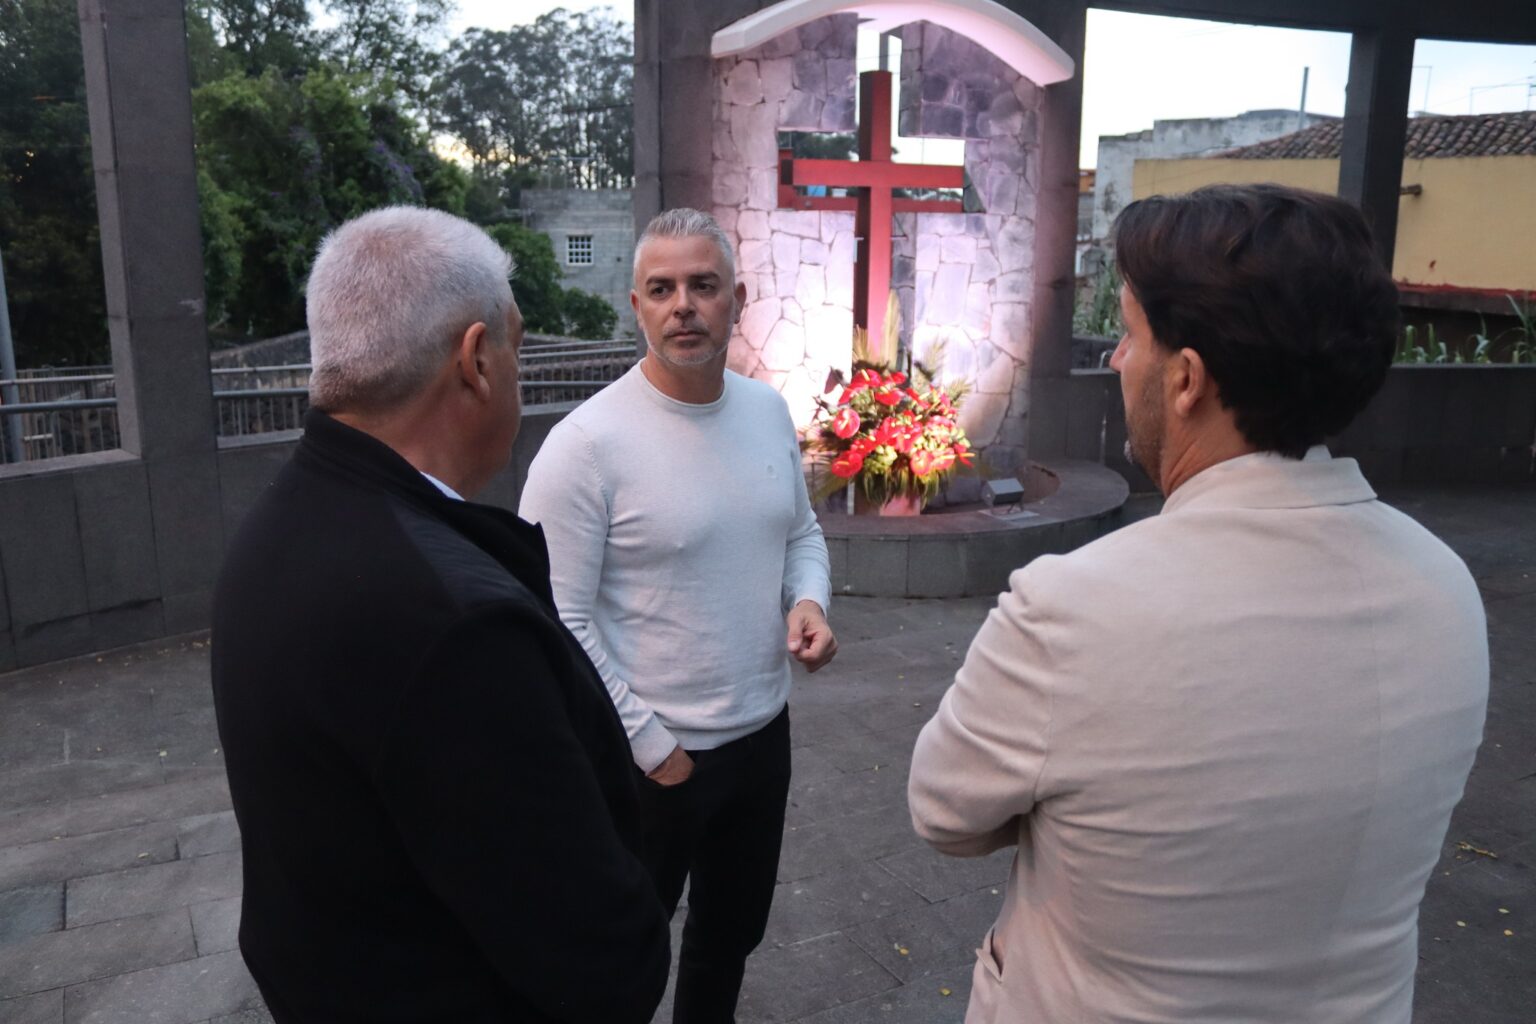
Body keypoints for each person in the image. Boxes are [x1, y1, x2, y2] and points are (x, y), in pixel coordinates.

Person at [908, 184, 1489, 1023]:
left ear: (1186, 380)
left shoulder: (1072, 610)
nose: (1114, 359)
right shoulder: (1447, 588)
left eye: (1131, 334)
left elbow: (944, 812)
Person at [211, 206, 669, 1024]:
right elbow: (599, 960)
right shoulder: (455, 625)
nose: (518, 369)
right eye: (518, 345)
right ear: (476, 363)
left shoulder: (283, 520)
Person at [518, 207, 837, 1022]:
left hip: (762, 740)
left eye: (702, 285)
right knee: (616, 960)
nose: (683, 305)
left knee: (728, 942)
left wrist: (808, 599)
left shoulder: (766, 411)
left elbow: (800, 530)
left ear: (738, 297)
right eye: (661, 289)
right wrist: (651, 746)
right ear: (636, 306)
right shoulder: (587, 444)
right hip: (647, 764)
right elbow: (555, 618)